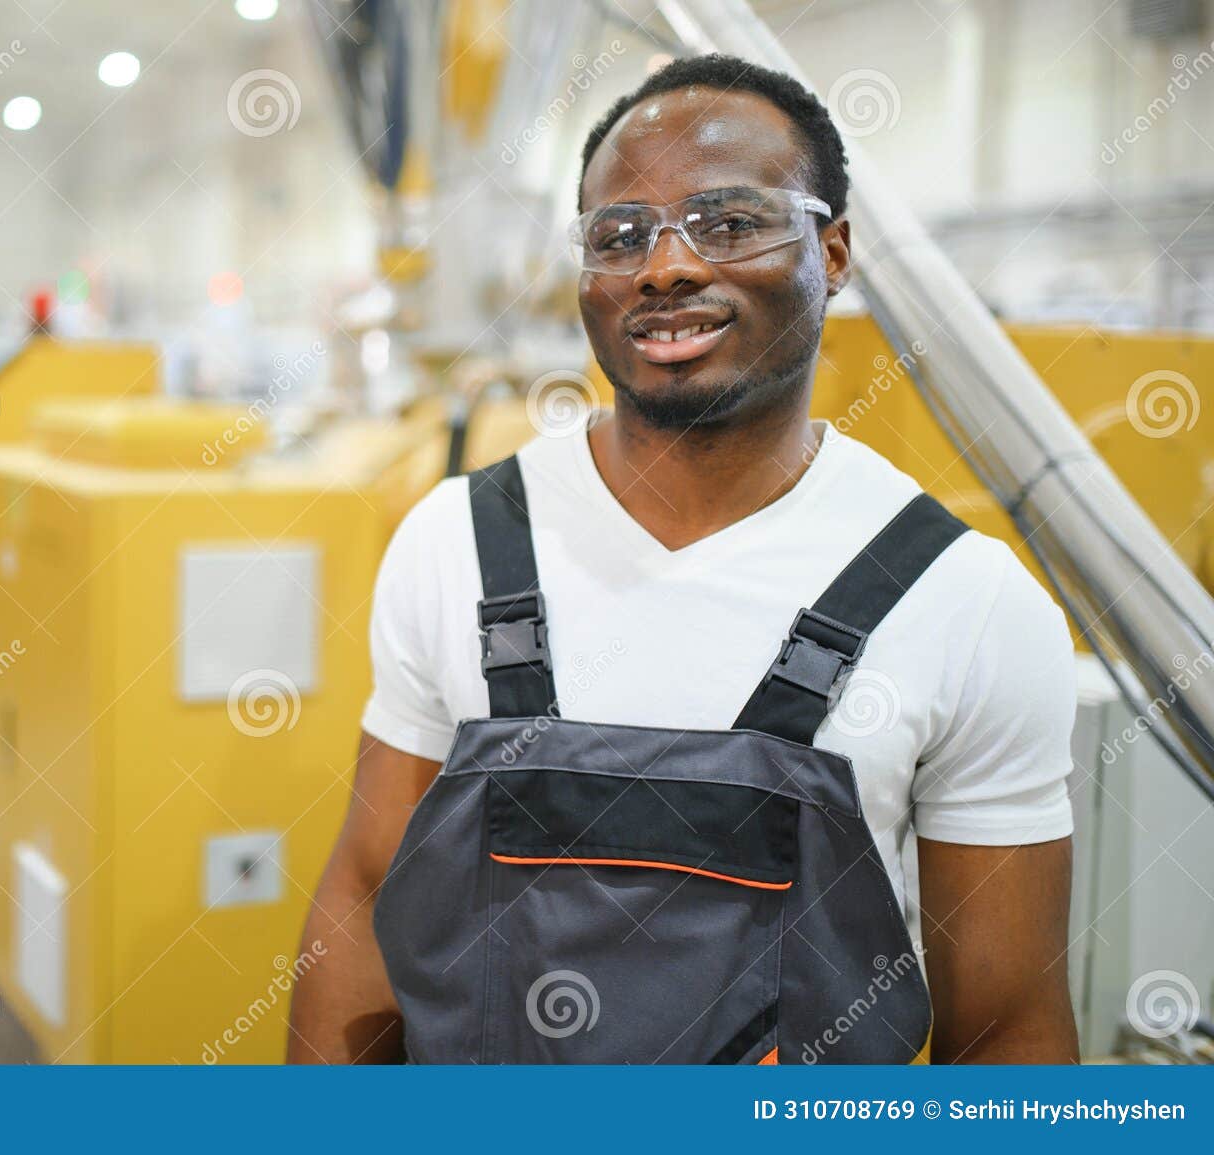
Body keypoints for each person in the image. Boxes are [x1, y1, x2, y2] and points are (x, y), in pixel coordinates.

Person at [288, 54, 1079, 1064]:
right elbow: (363, 900)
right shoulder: (458, 545)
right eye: (619, 236)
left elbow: (1008, 1029)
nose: (663, 266)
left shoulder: (962, 601)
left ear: (831, 253)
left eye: (730, 222)